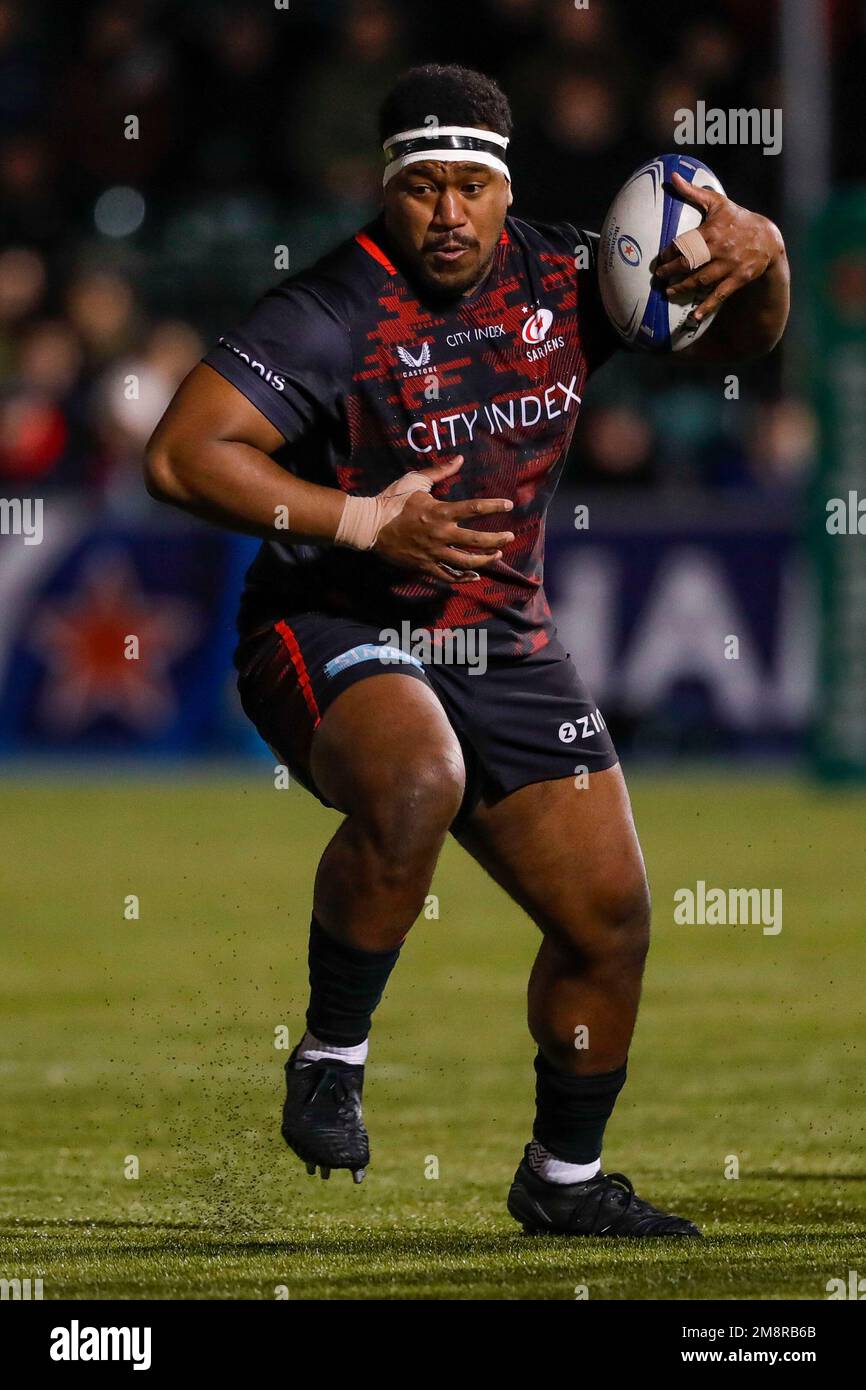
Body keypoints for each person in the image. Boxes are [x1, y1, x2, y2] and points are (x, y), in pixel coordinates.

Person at [145, 64, 789, 1236]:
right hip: (329, 623)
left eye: (469, 188)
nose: (447, 213)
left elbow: (734, 334)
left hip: (499, 640)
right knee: (417, 777)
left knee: (610, 923)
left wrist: (765, 256)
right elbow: (182, 455)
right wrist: (359, 517)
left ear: (506, 189)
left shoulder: (574, 273)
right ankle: (332, 1055)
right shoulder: (330, 308)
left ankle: (563, 1180)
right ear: (386, 191)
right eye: (421, 187)